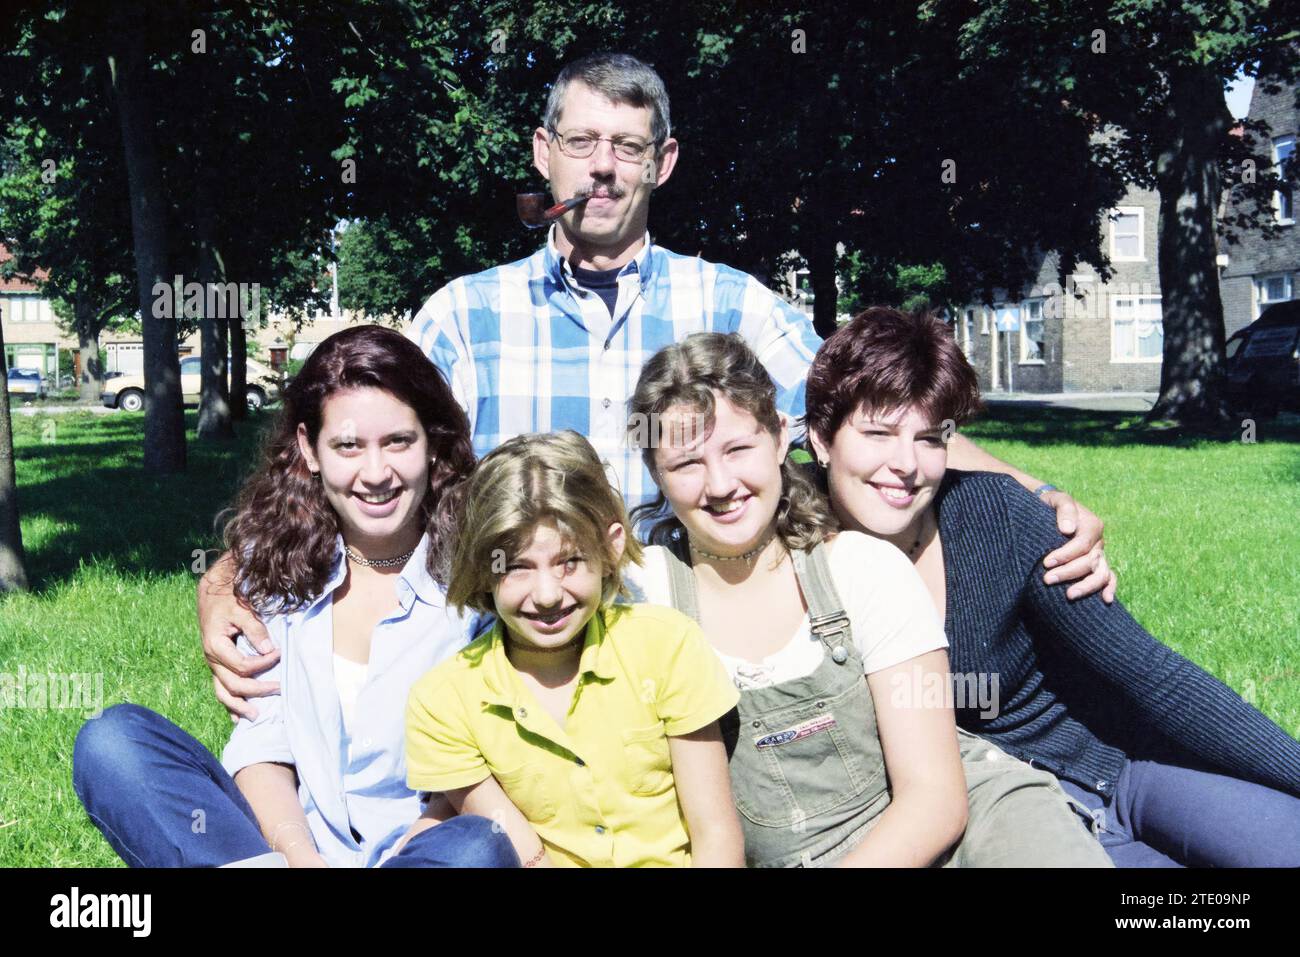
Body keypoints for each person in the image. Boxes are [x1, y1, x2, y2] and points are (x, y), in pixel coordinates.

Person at [196, 51, 1111, 721]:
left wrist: (1038, 499)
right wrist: (227, 578)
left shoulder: (734, 305)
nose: (602, 166)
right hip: (514, 658)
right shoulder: (463, 318)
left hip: (703, 657)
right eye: (582, 141)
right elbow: (358, 464)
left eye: (628, 147)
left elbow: (876, 416)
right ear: (542, 153)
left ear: (661, 165)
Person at [804, 306, 1300, 867]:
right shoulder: (792, 562)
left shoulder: (996, 516)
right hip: (1014, 822)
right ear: (822, 439)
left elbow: (1155, 677)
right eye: (877, 434)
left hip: (1126, 770)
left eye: (928, 439)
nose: (905, 465)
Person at [623, 333, 1111, 867]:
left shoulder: (862, 569)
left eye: (739, 449)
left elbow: (934, 801)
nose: (721, 484)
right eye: (687, 463)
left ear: (782, 438)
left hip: (950, 830)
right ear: (653, 472)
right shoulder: (642, 598)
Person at [72, 327, 518, 868]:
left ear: (432, 444)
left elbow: (493, 771)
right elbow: (265, 744)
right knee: (113, 742)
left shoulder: (484, 581)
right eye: (348, 445)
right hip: (288, 851)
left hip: (424, 850)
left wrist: (406, 849)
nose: (376, 473)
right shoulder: (278, 568)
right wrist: (300, 856)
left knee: (476, 844)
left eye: (399, 441)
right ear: (309, 449)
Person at [405, 430, 744, 867]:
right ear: (482, 568)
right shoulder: (443, 702)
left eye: (570, 562)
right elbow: (529, 855)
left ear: (610, 546)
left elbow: (715, 832)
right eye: (518, 568)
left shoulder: (666, 646)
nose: (547, 594)